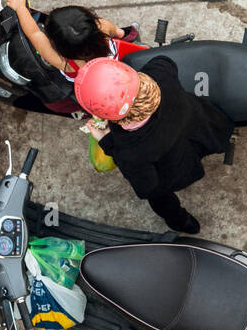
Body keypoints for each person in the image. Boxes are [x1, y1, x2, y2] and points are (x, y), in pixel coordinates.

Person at [74, 55, 233, 234]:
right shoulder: (161, 74)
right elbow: (165, 60)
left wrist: (105, 139)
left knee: (159, 197)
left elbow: (146, 187)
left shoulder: (130, 151)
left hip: (176, 166)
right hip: (201, 126)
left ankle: (180, 221)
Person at [6, 0, 142, 82]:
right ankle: (132, 33)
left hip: (90, 81)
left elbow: (34, 33)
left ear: (57, 45)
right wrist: (122, 34)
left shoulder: (64, 63)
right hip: (113, 68)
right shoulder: (104, 27)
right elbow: (118, 32)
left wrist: (20, 8)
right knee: (123, 33)